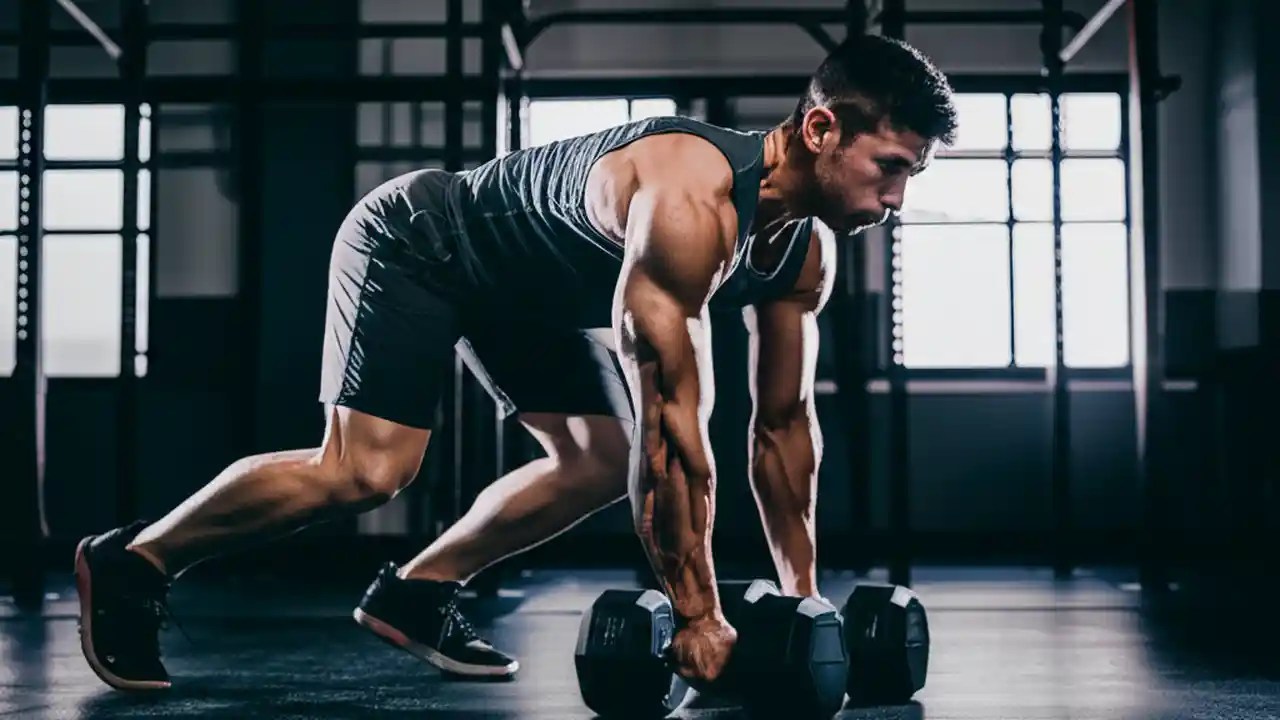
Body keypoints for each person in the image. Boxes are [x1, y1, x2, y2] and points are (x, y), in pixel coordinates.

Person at [73, 34, 957, 692]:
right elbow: (674, 432)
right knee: (369, 471)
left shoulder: (803, 254)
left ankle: (418, 592)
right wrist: (696, 614)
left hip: (529, 298)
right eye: (887, 168)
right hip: (425, 241)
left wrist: (802, 602)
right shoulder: (690, 202)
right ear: (820, 128)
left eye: (910, 175)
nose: (895, 199)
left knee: (599, 460)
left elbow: (783, 430)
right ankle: (135, 562)